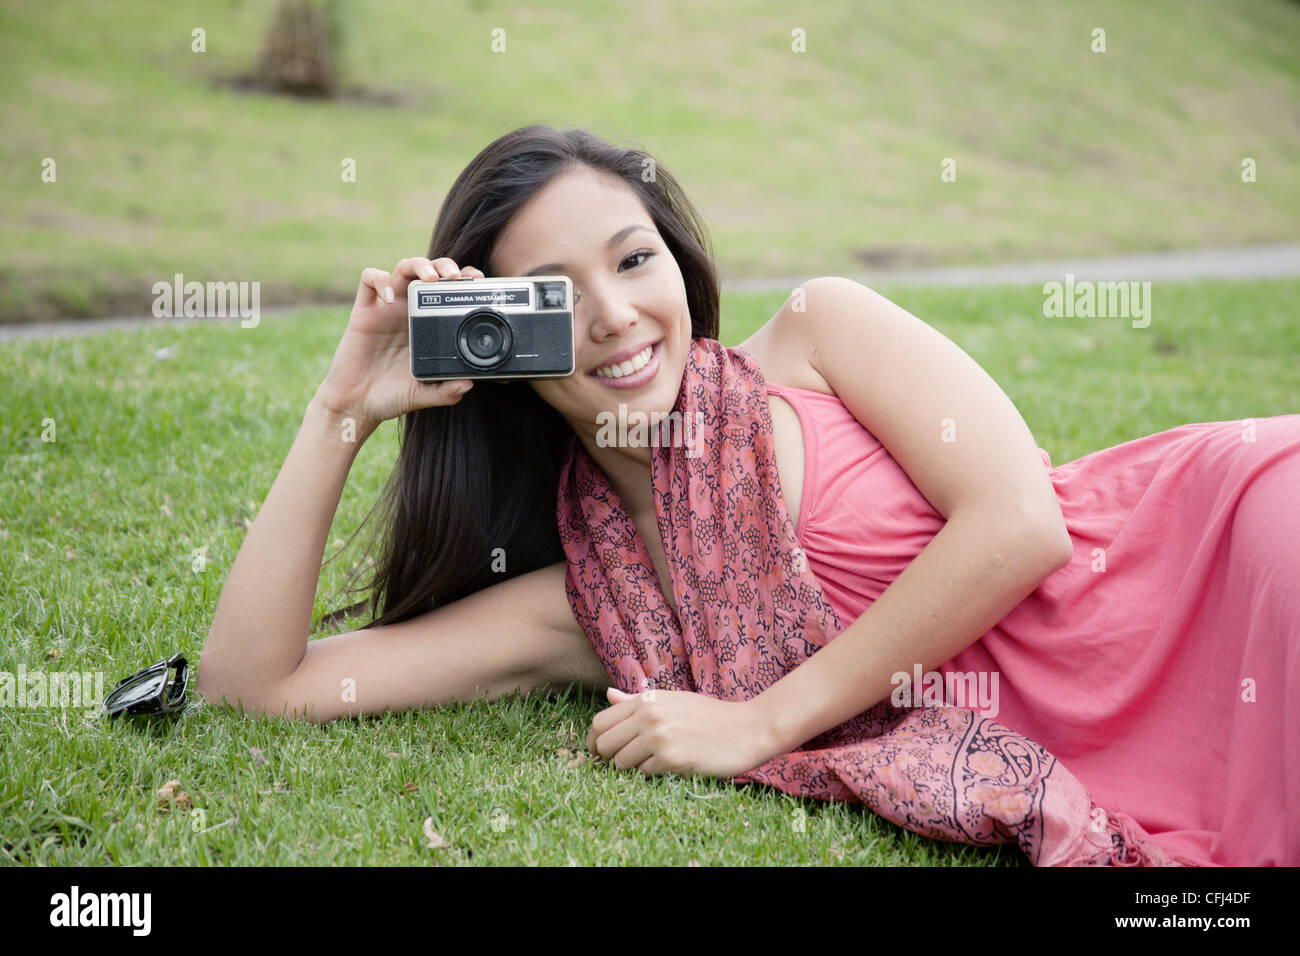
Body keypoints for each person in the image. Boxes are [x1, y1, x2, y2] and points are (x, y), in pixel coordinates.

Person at [197, 124, 1299, 865]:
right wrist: (344, 404)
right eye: (557, 296)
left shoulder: (820, 333)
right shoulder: (589, 603)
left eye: (632, 261)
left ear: (676, 259)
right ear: (499, 340)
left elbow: (1020, 524)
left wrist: (758, 720)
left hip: (1215, 552)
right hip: (1146, 742)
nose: (616, 317)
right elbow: (257, 684)